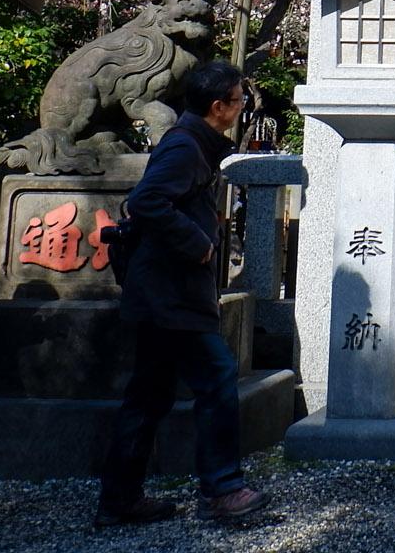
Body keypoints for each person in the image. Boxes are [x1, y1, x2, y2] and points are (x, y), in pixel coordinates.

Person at [96, 60, 267, 527]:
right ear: (218, 107)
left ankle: (120, 499)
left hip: (161, 291)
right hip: (170, 293)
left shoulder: (195, 142)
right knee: (216, 376)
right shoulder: (186, 146)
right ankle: (222, 488)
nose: (242, 107)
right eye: (238, 100)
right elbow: (147, 199)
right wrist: (198, 242)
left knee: (149, 395)